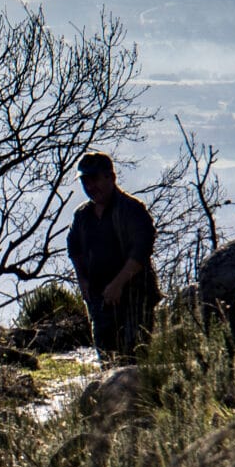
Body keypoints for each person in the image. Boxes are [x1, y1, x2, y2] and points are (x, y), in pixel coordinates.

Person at [66, 150, 159, 358]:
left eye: (95, 179)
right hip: (99, 301)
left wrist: (118, 284)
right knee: (107, 360)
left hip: (134, 296)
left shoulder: (132, 209)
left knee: (135, 356)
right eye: (85, 182)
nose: (90, 187)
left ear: (111, 177)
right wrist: (82, 279)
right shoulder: (82, 215)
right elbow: (74, 248)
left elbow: (141, 250)